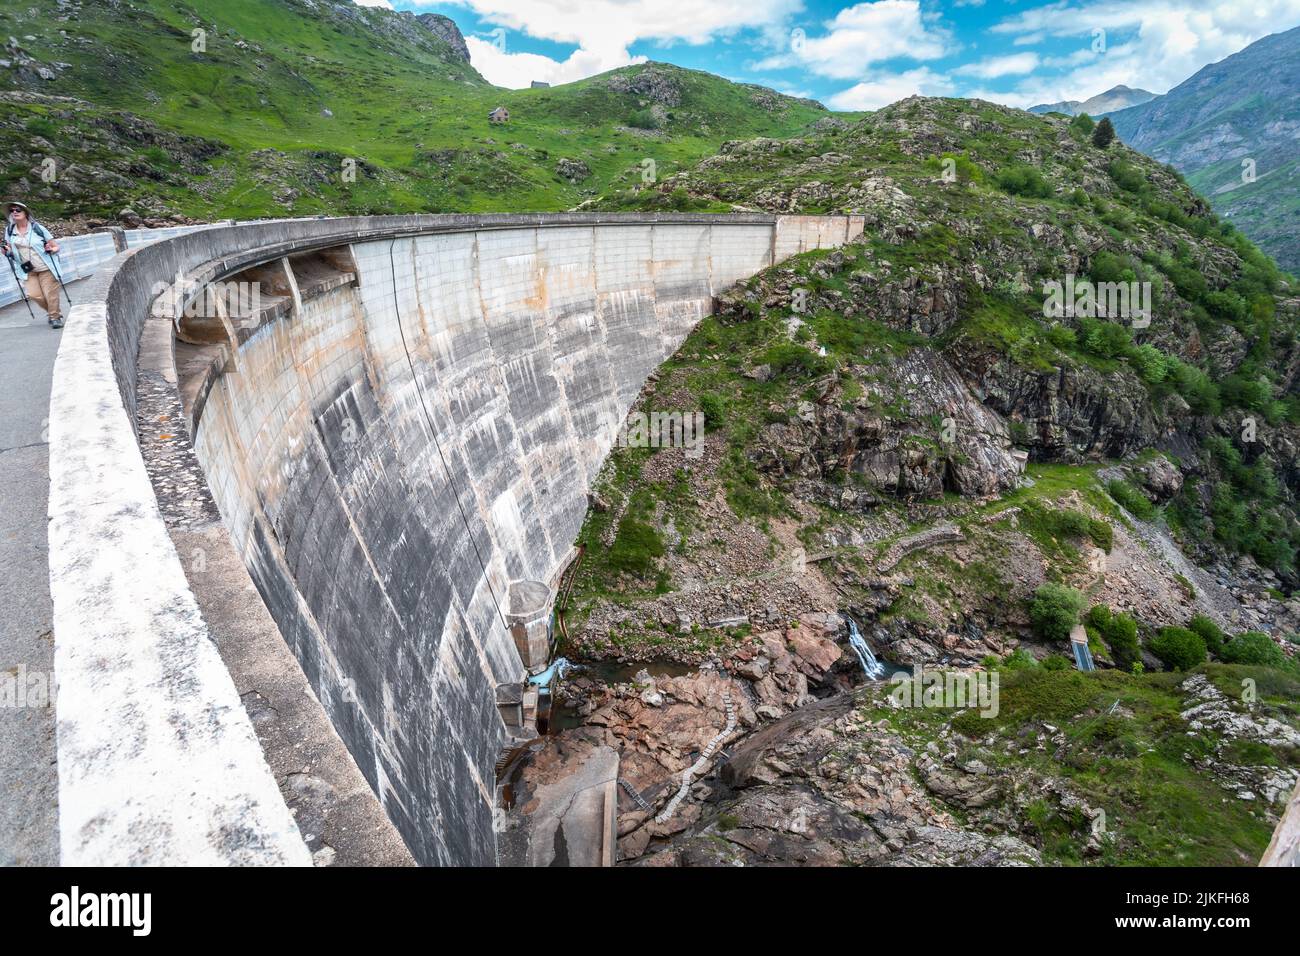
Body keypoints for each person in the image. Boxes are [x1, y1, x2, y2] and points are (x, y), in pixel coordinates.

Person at [2, 201, 64, 328]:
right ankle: (53, 312)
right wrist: (5, 250)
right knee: (34, 295)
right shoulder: (9, 230)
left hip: (46, 267)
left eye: (18, 210)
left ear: (26, 213)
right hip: (27, 269)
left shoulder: (38, 228)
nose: (14, 212)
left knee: (50, 294)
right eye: (12, 210)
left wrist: (51, 249)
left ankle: (55, 317)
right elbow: (8, 249)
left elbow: (56, 247)